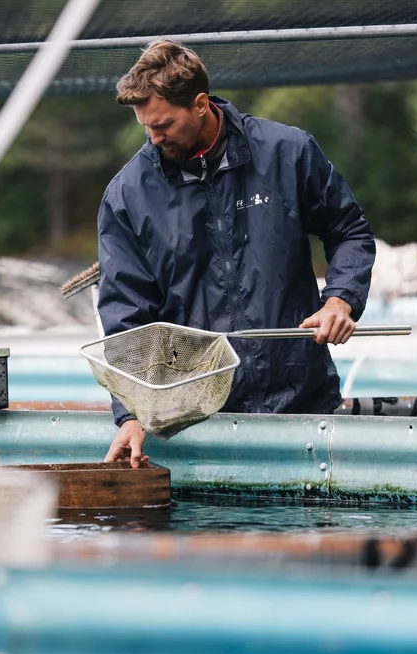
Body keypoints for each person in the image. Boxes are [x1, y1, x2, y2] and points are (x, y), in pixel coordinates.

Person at [98, 40, 375, 467]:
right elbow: (125, 318)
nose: (153, 139)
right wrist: (131, 415)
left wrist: (340, 299)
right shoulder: (126, 195)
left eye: (164, 124)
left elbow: (350, 231)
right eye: (146, 127)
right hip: (196, 417)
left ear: (201, 104)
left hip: (304, 402)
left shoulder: (289, 152)